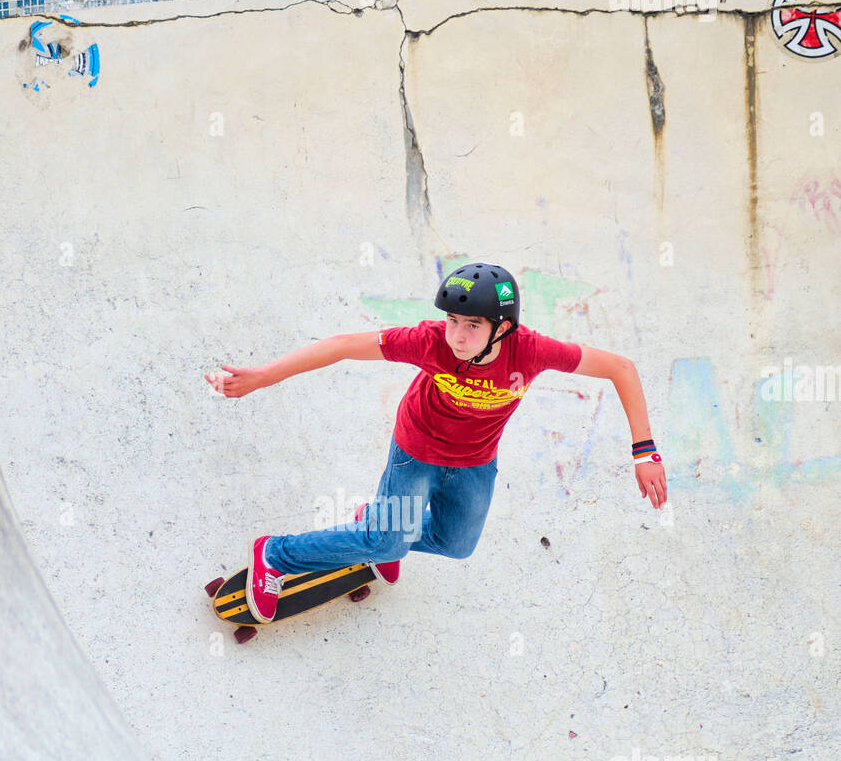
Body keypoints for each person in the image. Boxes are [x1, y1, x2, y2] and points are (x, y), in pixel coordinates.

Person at [206, 263, 667, 623]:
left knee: (456, 544)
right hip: (417, 453)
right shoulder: (430, 342)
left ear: (502, 329)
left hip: (475, 462)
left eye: (471, 326)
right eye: (452, 321)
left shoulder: (532, 350)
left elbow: (620, 368)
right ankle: (275, 553)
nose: (457, 336)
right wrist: (265, 376)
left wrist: (644, 451)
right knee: (388, 544)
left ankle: (377, 526)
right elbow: (344, 344)